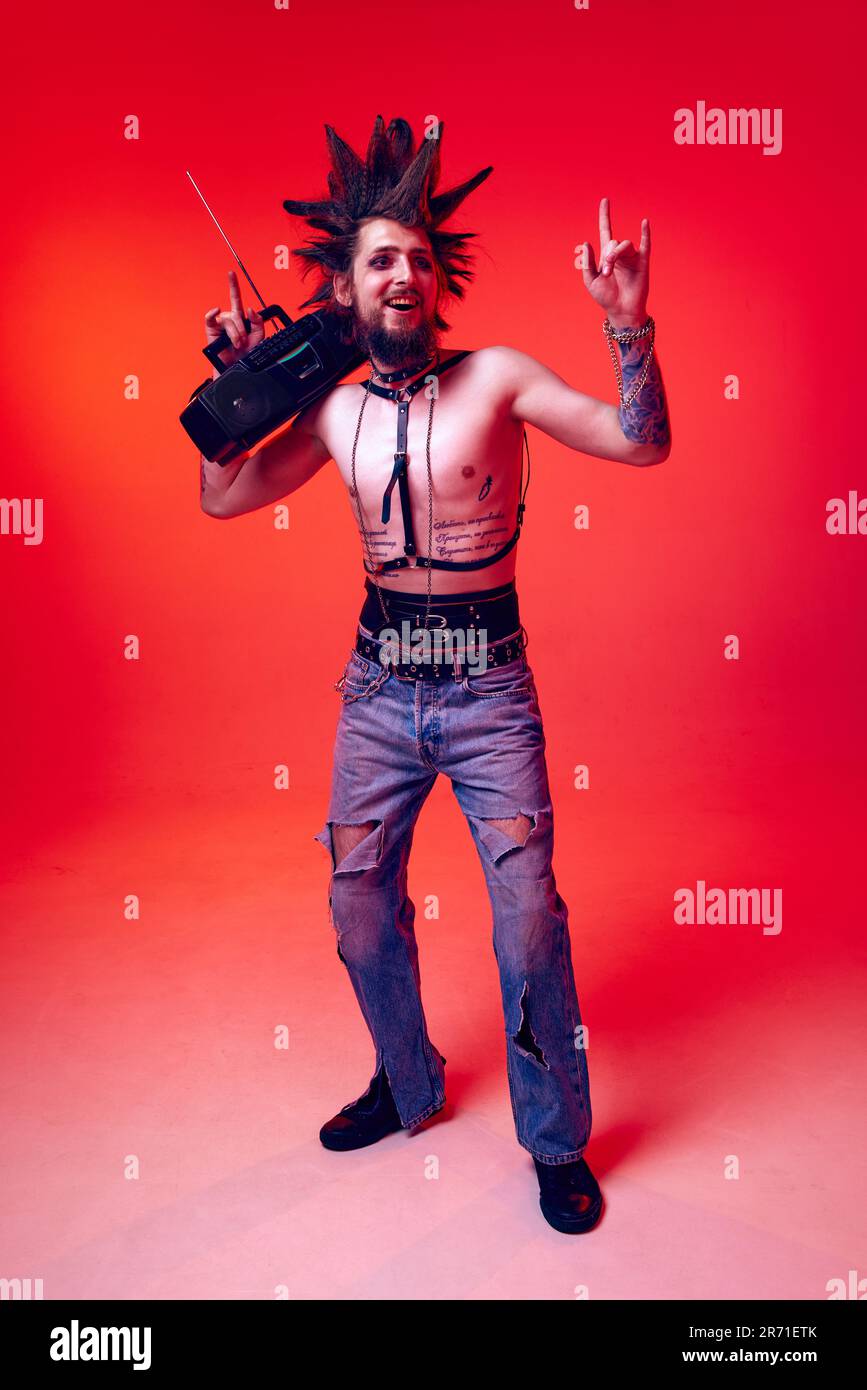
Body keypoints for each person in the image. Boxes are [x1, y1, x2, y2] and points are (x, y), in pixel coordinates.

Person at [199, 115, 671, 1235]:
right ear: (347, 289)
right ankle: (407, 1080)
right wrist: (240, 391)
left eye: (418, 254)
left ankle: (555, 1140)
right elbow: (222, 497)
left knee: (527, 927)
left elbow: (641, 442)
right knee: (358, 910)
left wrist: (630, 327)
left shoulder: (498, 379)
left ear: (437, 276)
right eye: (379, 258)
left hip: (488, 694)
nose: (402, 271)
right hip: (377, 694)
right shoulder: (331, 408)